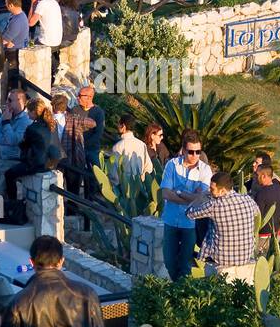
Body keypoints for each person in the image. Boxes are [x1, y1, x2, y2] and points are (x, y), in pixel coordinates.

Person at [185, 171, 260, 282]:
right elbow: (257, 212)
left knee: (201, 220)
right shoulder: (248, 199)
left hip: (222, 258)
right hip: (245, 255)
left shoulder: (214, 205)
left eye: (212, 189)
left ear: (223, 190)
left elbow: (189, 213)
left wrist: (201, 197)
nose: (210, 191)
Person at [160, 130, 213, 280]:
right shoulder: (172, 165)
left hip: (190, 224)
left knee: (184, 264)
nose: (195, 155)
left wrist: (178, 192)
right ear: (183, 150)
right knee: (169, 262)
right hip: (170, 221)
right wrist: (191, 197)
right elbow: (165, 193)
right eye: (191, 152)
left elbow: (203, 200)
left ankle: (181, 294)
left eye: (198, 152)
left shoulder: (204, 170)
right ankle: (178, 289)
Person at [5, 99, 63, 201]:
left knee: (8, 174)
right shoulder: (51, 124)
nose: (27, 114)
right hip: (52, 162)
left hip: (37, 165)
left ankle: (12, 203)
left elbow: (24, 145)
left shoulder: (32, 128)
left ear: (34, 112)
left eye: (28, 111)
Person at [0, 88, 30, 194]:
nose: (6, 103)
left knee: (0, 191)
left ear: (20, 101)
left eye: (9, 100)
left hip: (13, 161)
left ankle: (5, 210)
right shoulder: (7, 115)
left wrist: (6, 123)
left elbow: (13, 140)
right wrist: (5, 122)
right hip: (1, 159)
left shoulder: (26, 121)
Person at [251, 163, 280, 250]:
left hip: (262, 236)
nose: (255, 177)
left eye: (257, 175)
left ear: (263, 176)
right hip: (277, 234)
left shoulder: (261, 194)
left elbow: (257, 216)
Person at [28, 0, 63, 79]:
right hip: (58, 40)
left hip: (48, 41)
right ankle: (56, 69)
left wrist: (32, 4)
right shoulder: (53, 2)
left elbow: (30, 23)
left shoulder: (41, 4)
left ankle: (39, 76)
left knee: (30, 47)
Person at [110, 115, 152, 181]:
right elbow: (149, 167)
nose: (117, 126)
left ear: (123, 126)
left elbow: (114, 172)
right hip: (140, 186)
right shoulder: (142, 144)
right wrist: (141, 180)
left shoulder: (118, 146)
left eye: (118, 123)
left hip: (124, 187)